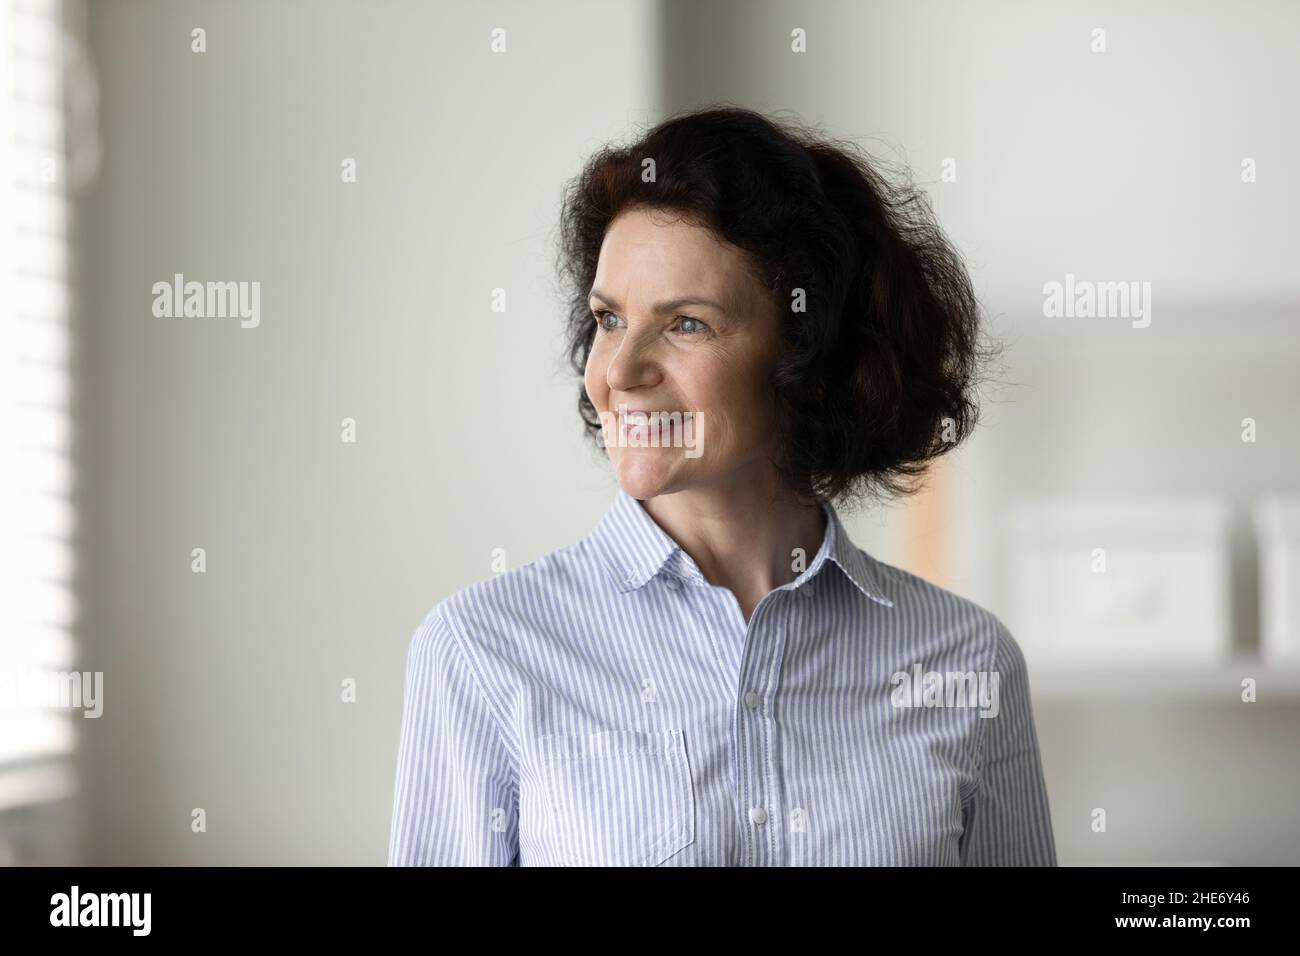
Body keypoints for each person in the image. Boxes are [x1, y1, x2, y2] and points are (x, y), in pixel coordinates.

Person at [388, 106, 1056, 866]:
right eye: (609, 319)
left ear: (807, 356)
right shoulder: (481, 652)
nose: (620, 372)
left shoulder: (967, 663)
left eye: (687, 325)